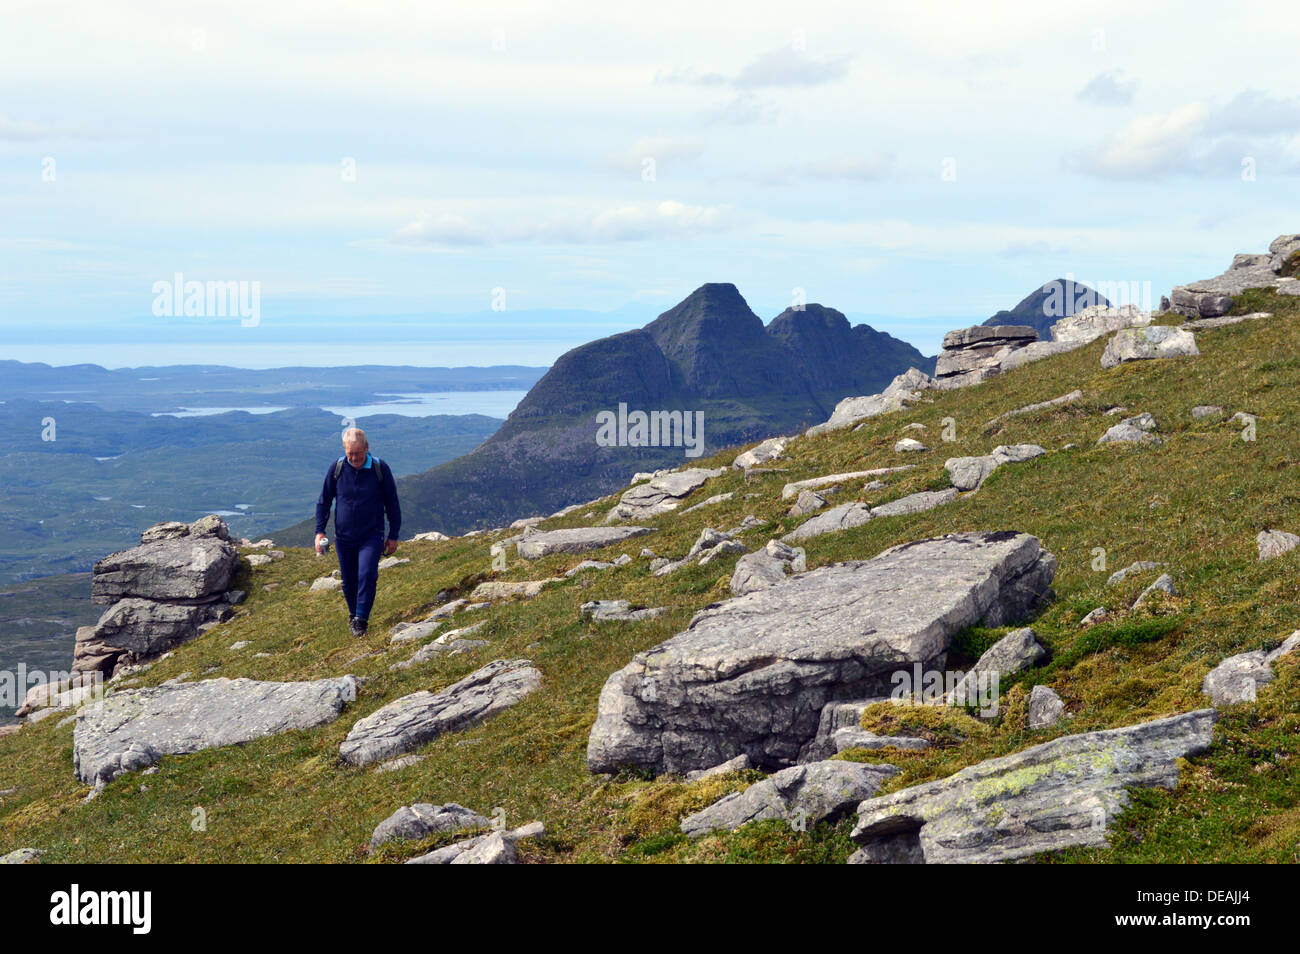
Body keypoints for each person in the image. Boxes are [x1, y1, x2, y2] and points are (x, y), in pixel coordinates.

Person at [314, 427, 401, 637]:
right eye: (349, 453)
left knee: (367, 574)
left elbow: (392, 503)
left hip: (371, 534)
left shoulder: (380, 469)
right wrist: (320, 531)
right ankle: (353, 615)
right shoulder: (337, 468)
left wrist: (393, 535)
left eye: (358, 453)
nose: (353, 458)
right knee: (349, 580)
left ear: (367, 448)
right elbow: (324, 501)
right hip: (344, 537)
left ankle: (361, 620)